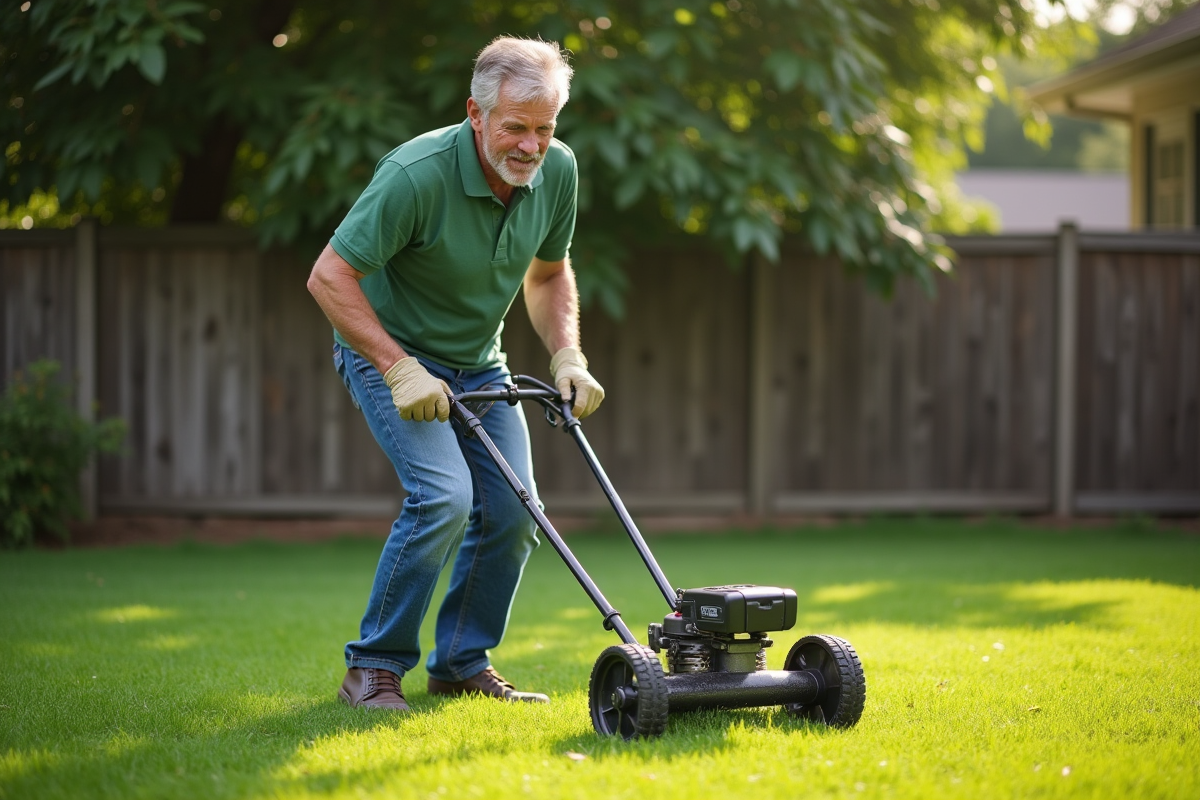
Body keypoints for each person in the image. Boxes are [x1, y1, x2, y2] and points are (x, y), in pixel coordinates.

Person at [306, 36, 604, 711]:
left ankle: (462, 664)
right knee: (444, 496)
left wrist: (567, 355)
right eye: (516, 127)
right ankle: (373, 669)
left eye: (545, 128)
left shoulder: (557, 171)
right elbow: (329, 277)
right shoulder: (417, 174)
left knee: (515, 509)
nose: (532, 144)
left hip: (479, 363)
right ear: (475, 113)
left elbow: (550, 273)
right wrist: (398, 367)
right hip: (390, 354)